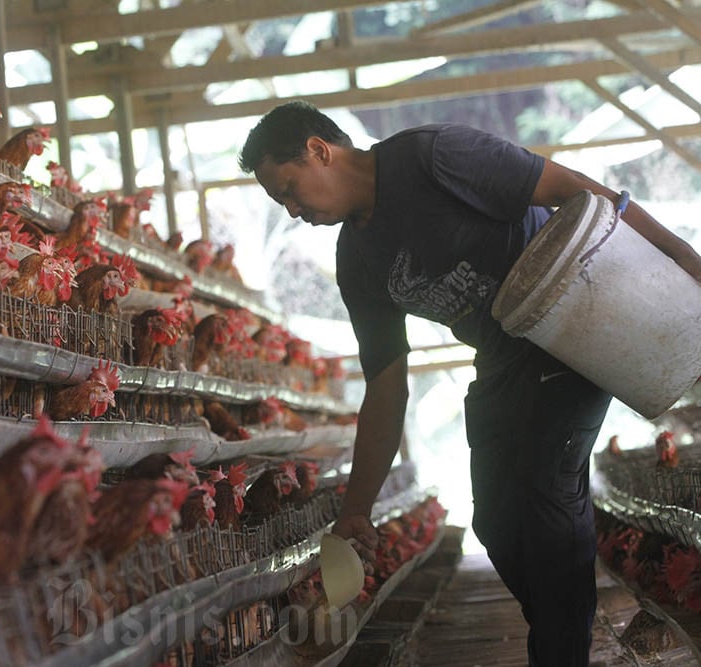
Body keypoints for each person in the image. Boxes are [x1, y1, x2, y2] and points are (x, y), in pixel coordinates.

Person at [238, 100, 701, 666]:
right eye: (278, 201)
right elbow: (386, 386)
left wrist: (682, 259)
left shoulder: (431, 157)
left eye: (288, 190)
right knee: (496, 522)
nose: (291, 210)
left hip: (572, 328)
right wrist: (355, 509)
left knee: (546, 494)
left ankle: (560, 652)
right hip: (504, 360)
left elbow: (573, 189)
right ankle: (563, 630)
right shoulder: (356, 260)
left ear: (318, 151)